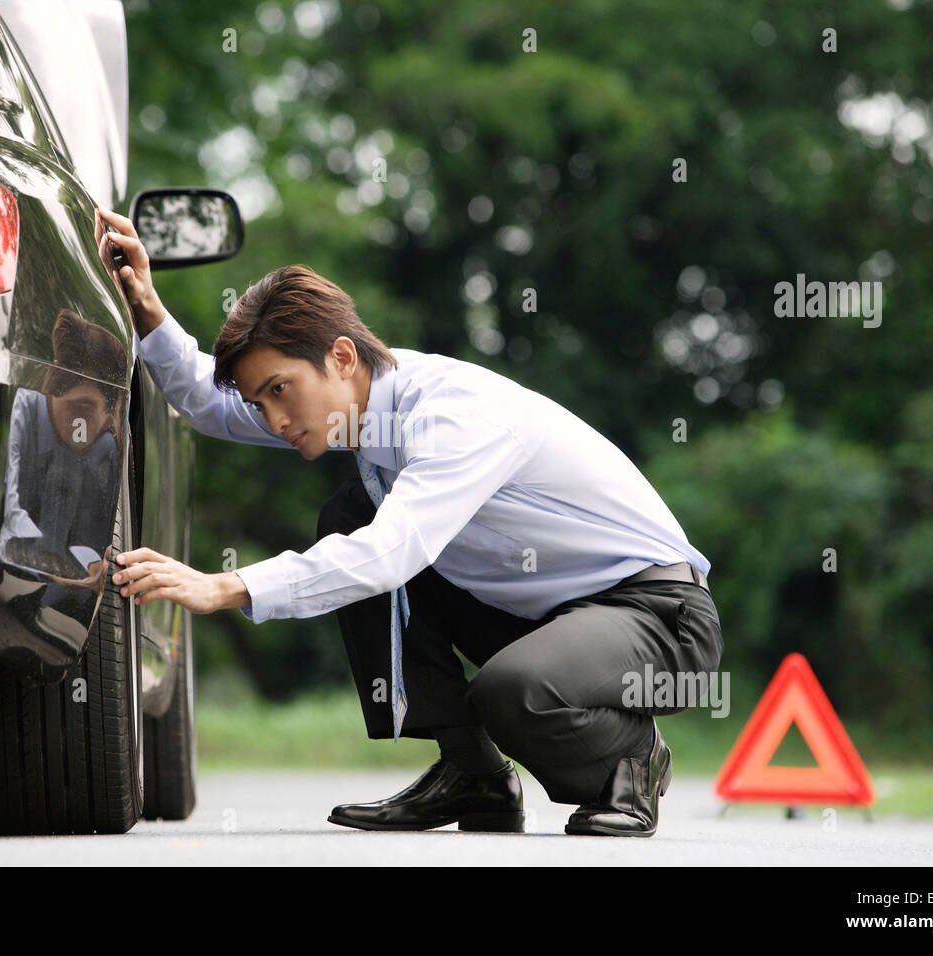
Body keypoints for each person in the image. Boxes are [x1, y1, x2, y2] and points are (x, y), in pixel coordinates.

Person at [94, 207, 724, 836]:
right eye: (261, 401)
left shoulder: (451, 415)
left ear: (342, 357)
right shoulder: (364, 409)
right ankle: (473, 776)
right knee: (352, 512)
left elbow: (389, 553)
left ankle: (630, 761)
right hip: (553, 615)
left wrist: (225, 586)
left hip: (656, 619)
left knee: (507, 687)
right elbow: (209, 401)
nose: (274, 420)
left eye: (281, 392)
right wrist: (147, 305)